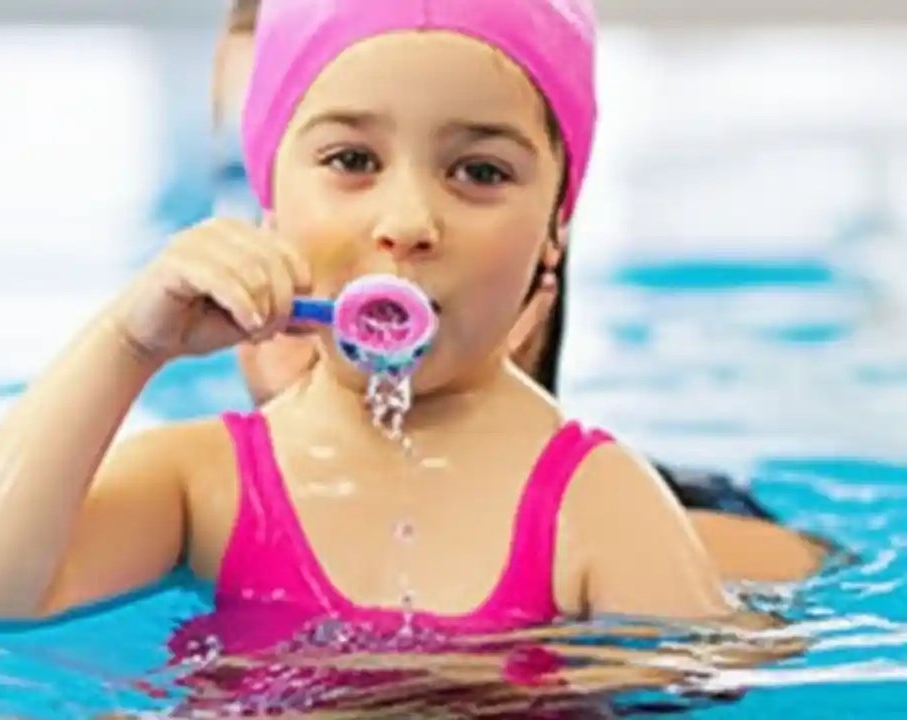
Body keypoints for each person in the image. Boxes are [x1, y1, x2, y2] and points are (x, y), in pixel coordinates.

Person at [215, 0, 834, 585]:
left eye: (475, 172)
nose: (390, 227)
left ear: (545, 241)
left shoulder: (670, 538)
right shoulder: (185, 505)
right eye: (343, 162)